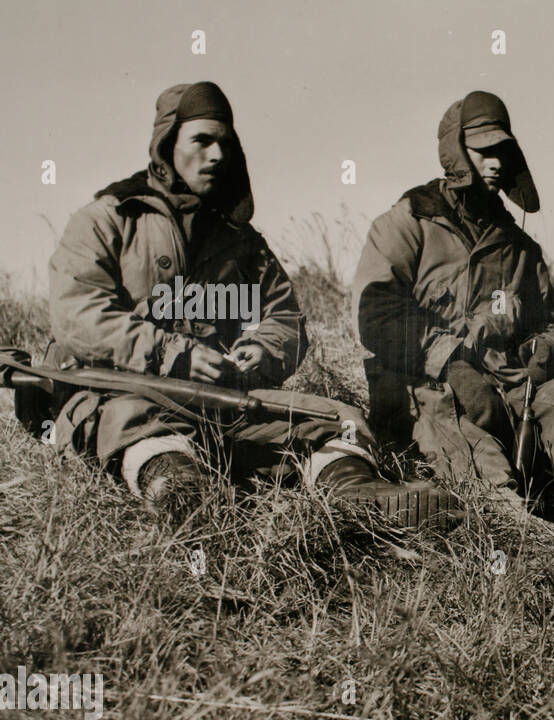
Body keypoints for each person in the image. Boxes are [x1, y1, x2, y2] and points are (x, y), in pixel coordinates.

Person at [34, 81, 454, 528]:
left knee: (333, 417)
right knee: (133, 418)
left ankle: (357, 494)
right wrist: (172, 353)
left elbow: (285, 317)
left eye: (225, 143)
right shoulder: (108, 219)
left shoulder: (241, 240)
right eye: (201, 140)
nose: (217, 155)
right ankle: (181, 492)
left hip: (221, 398)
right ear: (166, 144)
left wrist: (264, 350)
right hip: (125, 390)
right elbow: (77, 315)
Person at [353, 91, 554, 530]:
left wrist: (541, 358)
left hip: (509, 387)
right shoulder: (408, 223)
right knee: (445, 410)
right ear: (456, 152)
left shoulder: (520, 247)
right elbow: (376, 317)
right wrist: (451, 364)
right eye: (483, 152)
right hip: (423, 387)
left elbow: (552, 323)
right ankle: (513, 524)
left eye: (502, 153)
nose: (494, 164)